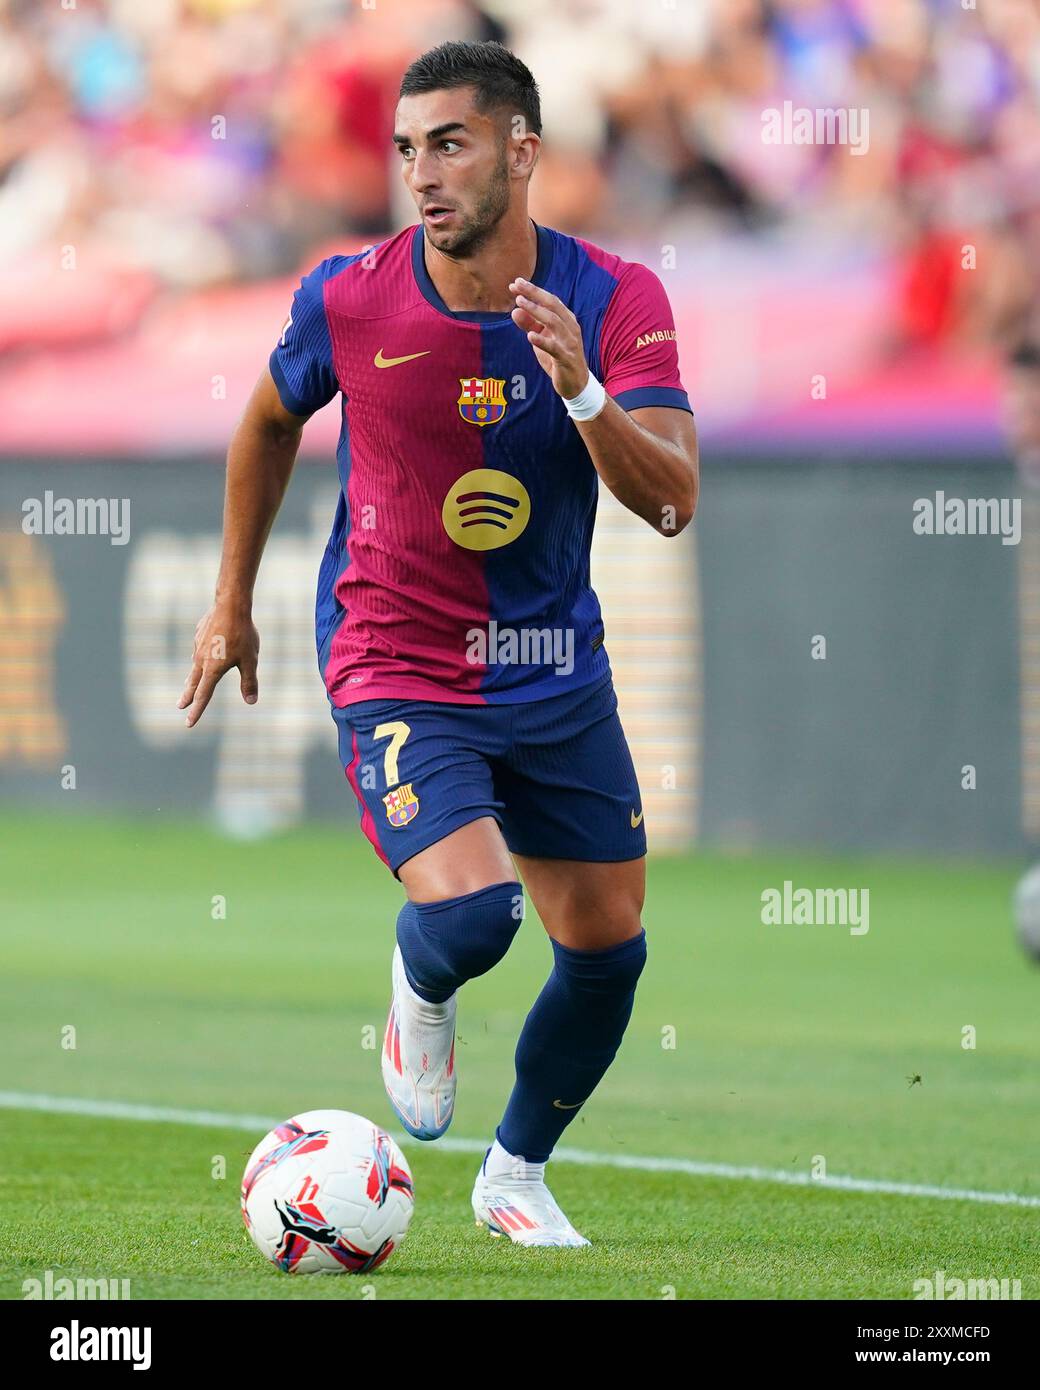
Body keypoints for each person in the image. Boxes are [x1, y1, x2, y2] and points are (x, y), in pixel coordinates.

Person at [179, 39, 698, 1248]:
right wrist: (229, 600)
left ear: (523, 151)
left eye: (450, 143)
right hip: (395, 653)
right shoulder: (349, 295)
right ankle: (419, 992)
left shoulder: (616, 300)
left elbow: (671, 501)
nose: (422, 172)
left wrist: (582, 393)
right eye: (407, 147)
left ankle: (513, 1171)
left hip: (552, 666)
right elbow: (263, 422)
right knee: (475, 921)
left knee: (608, 947)